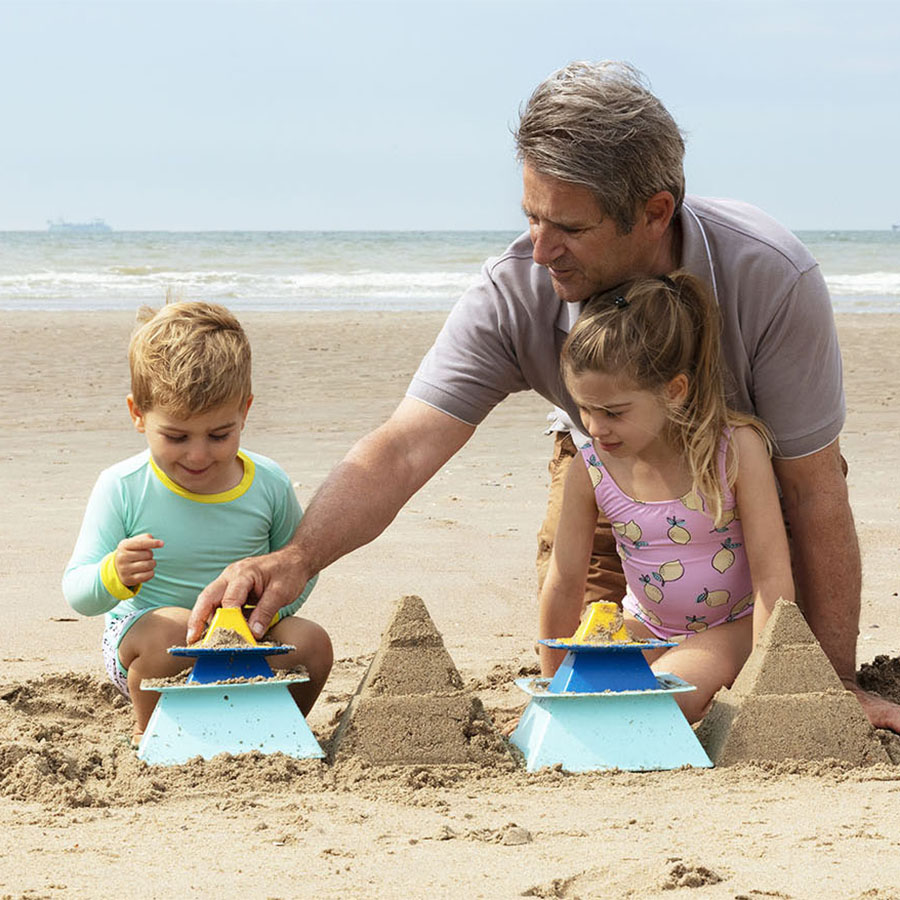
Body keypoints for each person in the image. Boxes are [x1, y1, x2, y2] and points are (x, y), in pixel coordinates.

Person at [189, 61, 900, 733]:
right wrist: (295, 558)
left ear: (654, 212)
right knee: (601, 688)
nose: (539, 249)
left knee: (774, 648)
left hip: (744, 480)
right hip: (608, 474)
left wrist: (826, 684)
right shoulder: (515, 290)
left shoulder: (770, 275)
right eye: (532, 216)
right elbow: (403, 449)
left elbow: (811, 489)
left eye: (570, 227)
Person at [63, 301, 333, 745]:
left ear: (245, 411)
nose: (198, 455)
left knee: (313, 642)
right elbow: (77, 592)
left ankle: (274, 727)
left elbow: (301, 571)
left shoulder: (267, 483)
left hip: (245, 637)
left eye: (219, 435)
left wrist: (263, 613)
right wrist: (114, 574)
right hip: (148, 646)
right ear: (137, 414)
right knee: (171, 626)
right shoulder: (123, 486)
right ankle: (154, 734)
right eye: (176, 436)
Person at [540, 272, 793, 721]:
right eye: (583, 409)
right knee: (593, 695)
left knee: (662, 699)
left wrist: (764, 680)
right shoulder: (591, 469)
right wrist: (554, 690)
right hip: (644, 626)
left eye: (613, 413)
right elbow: (563, 583)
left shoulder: (733, 451)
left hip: (730, 627)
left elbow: (772, 578)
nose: (595, 428)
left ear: (674, 391)